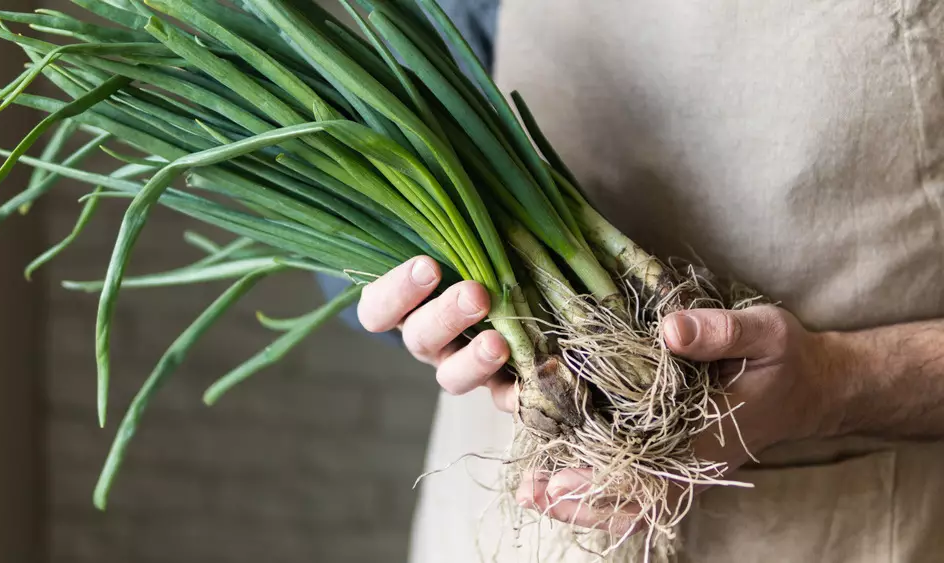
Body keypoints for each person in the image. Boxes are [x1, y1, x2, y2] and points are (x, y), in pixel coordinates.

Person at [356, 1, 944, 562]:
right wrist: (436, 310)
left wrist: (831, 384)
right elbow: (417, 123)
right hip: (519, 505)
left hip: (846, 522)